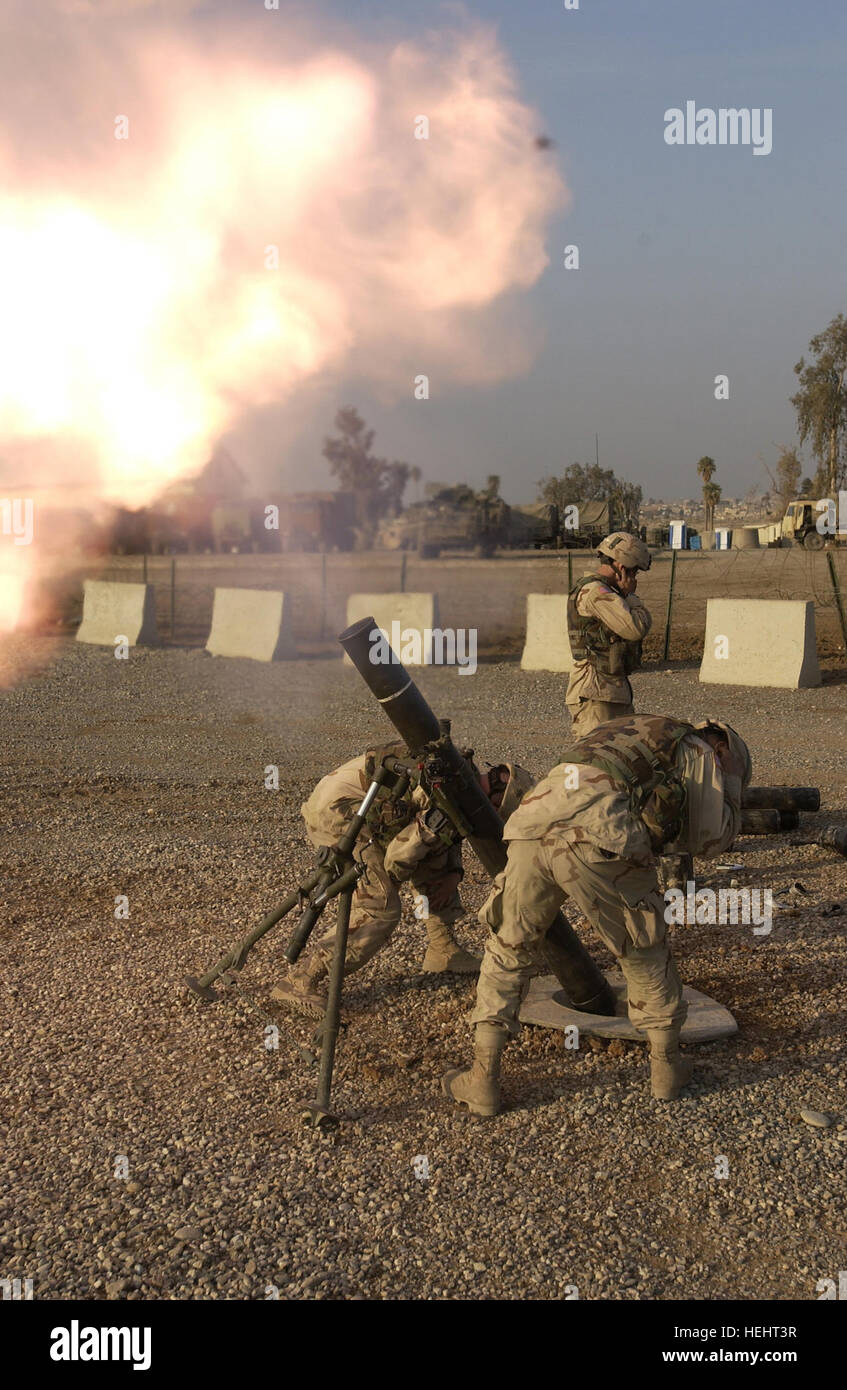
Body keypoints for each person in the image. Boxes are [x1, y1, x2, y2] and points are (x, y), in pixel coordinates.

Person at [442, 715, 752, 1117]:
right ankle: (666, 1070)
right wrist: (728, 791)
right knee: (642, 947)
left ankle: (483, 1079)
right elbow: (710, 842)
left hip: (531, 825)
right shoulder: (699, 749)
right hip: (601, 833)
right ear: (725, 749)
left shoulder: (632, 731)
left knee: (507, 949)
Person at [271, 741, 534, 1017]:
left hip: (359, 805)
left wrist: (453, 874)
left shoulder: (462, 780)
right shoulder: (448, 792)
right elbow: (397, 860)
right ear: (496, 801)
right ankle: (301, 979)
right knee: (382, 906)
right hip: (339, 814)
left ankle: (442, 949)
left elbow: (447, 838)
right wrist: (398, 877)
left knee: (437, 856)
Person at [566, 531, 653, 737]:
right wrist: (630, 596)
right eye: (634, 572)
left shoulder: (602, 590)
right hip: (597, 694)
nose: (634, 578)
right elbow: (636, 628)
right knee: (593, 762)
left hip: (606, 692)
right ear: (622, 568)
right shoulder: (597, 592)